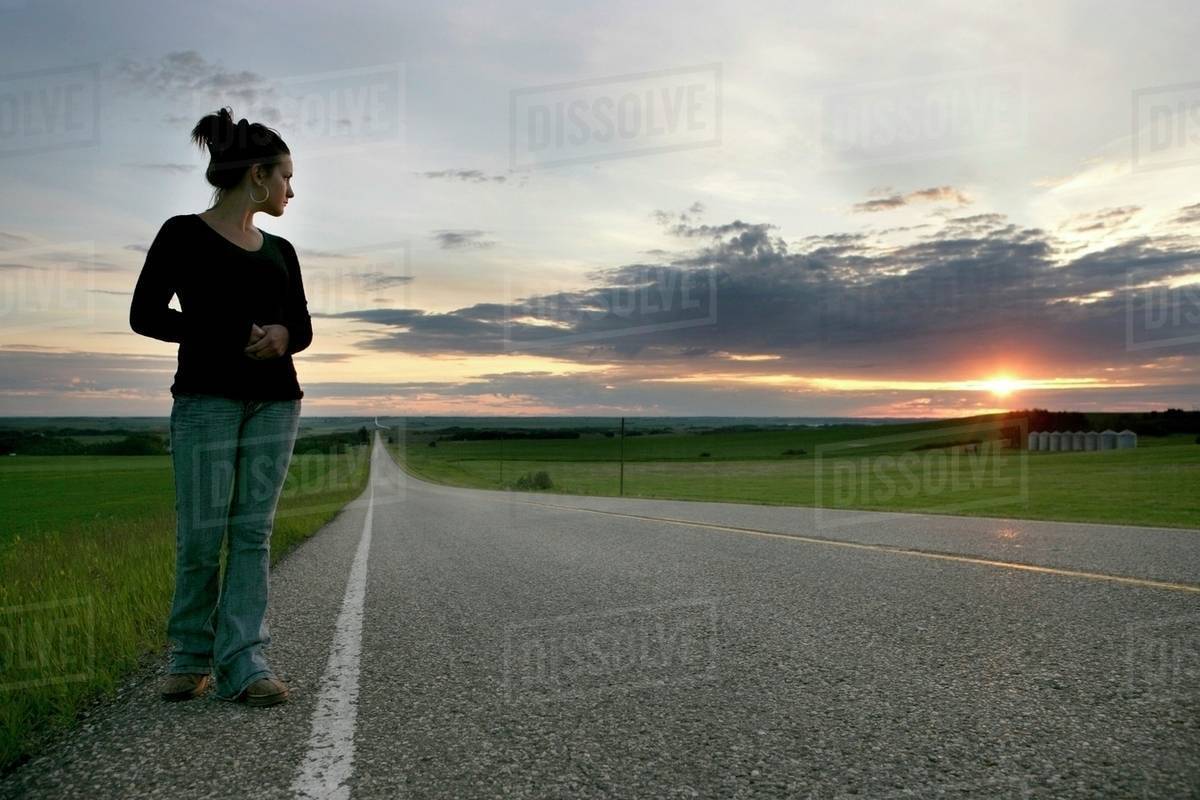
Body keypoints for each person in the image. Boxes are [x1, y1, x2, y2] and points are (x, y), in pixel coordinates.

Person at [129, 106, 311, 708]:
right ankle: (189, 657)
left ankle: (243, 661)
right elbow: (147, 315)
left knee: (252, 534)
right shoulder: (182, 232)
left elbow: (302, 326)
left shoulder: (281, 249)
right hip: (206, 400)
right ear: (258, 175)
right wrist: (225, 332)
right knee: (202, 535)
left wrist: (284, 336)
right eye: (286, 175)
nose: (292, 188)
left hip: (275, 403)